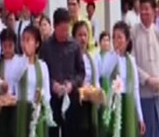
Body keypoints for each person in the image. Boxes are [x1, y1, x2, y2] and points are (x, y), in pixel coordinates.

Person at [39, 8, 84, 136]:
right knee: (52, 131)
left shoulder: (74, 46)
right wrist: (52, 84)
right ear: (55, 26)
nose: (65, 33)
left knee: (70, 132)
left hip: (70, 97)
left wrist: (71, 84)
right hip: (52, 98)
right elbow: (41, 72)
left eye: (67, 29)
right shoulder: (46, 47)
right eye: (62, 30)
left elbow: (81, 72)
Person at [131, 0, 159, 137]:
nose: (144, 13)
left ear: (154, 11)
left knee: (157, 130)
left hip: (157, 94)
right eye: (141, 9)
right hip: (142, 93)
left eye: (147, 9)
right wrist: (147, 79)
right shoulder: (134, 32)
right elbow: (132, 63)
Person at [100, 22, 146, 137]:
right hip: (114, 103)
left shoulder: (131, 60)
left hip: (128, 103)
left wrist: (140, 117)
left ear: (127, 40)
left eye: (120, 37)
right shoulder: (110, 56)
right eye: (114, 37)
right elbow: (104, 72)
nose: (117, 41)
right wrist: (115, 54)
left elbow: (135, 89)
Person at [12, 26, 51, 137]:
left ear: (37, 43)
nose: (24, 43)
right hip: (22, 110)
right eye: (23, 40)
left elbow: (47, 93)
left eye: (28, 40)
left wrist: (42, 100)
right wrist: (25, 57)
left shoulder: (42, 66)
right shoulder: (18, 61)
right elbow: (15, 77)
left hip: (37, 111)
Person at [73, 20, 99, 136]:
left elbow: (96, 79)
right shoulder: (71, 57)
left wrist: (96, 92)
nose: (83, 38)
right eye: (80, 35)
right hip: (76, 103)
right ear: (74, 37)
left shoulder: (91, 58)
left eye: (85, 35)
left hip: (90, 103)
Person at [0, 28, 21, 137]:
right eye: (5, 46)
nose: (8, 50)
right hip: (1, 105)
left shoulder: (20, 61)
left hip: (15, 105)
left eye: (10, 46)